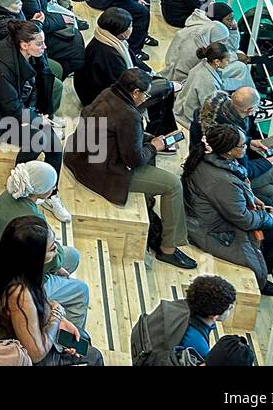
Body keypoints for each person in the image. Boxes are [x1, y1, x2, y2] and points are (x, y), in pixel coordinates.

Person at [65, 67, 198, 269]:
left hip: (81, 157)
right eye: (145, 94)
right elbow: (134, 160)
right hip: (104, 172)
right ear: (135, 92)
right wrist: (154, 146)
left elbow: (114, 134)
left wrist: (148, 142)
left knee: (151, 150)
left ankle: (148, 201)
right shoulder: (129, 115)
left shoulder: (108, 92)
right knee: (172, 185)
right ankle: (168, 249)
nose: (146, 98)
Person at [0, 21, 69, 207]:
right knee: (37, 138)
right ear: (24, 45)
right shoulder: (2, 68)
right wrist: (36, 119)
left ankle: (51, 192)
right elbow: (10, 106)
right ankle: (20, 182)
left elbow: (31, 88)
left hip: (12, 109)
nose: (44, 47)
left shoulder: (28, 52)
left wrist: (38, 115)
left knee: (53, 144)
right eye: (39, 44)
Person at [0, 214, 104, 366]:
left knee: (82, 339)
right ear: (34, 256)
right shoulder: (19, 294)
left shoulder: (5, 267)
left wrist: (58, 320)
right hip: (17, 354)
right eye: (52, 248)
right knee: (93, 356)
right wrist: (57, 313)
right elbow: (36, 354)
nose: (57, 249)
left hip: (17, 334)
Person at [0, 161, 91, 329]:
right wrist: (55, 265)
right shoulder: (32, 222)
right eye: (52, 187)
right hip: (16, 284)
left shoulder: (7, 196)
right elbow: (53, 259)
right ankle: (67, 341)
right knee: (81, 290)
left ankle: (43, 310)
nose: (54, 190)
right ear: (39, 190)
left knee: (72, 256)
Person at [182, 124, 273, 296]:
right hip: (212, 229)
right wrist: (266, 218)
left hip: (208, 214)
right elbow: (243, 218)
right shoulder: (223, 180)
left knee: (267, 199)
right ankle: (263, 279)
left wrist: (253, 199)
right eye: (242, 145)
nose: (246, 147)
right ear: (229, 151)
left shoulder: (208, 159)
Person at [75, 7, 135, 108]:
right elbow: (121, 84)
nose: (131, 29)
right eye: (129, 27)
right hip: (96, 100)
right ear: (120, 31)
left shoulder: (105, 37)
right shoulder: (109, 54)